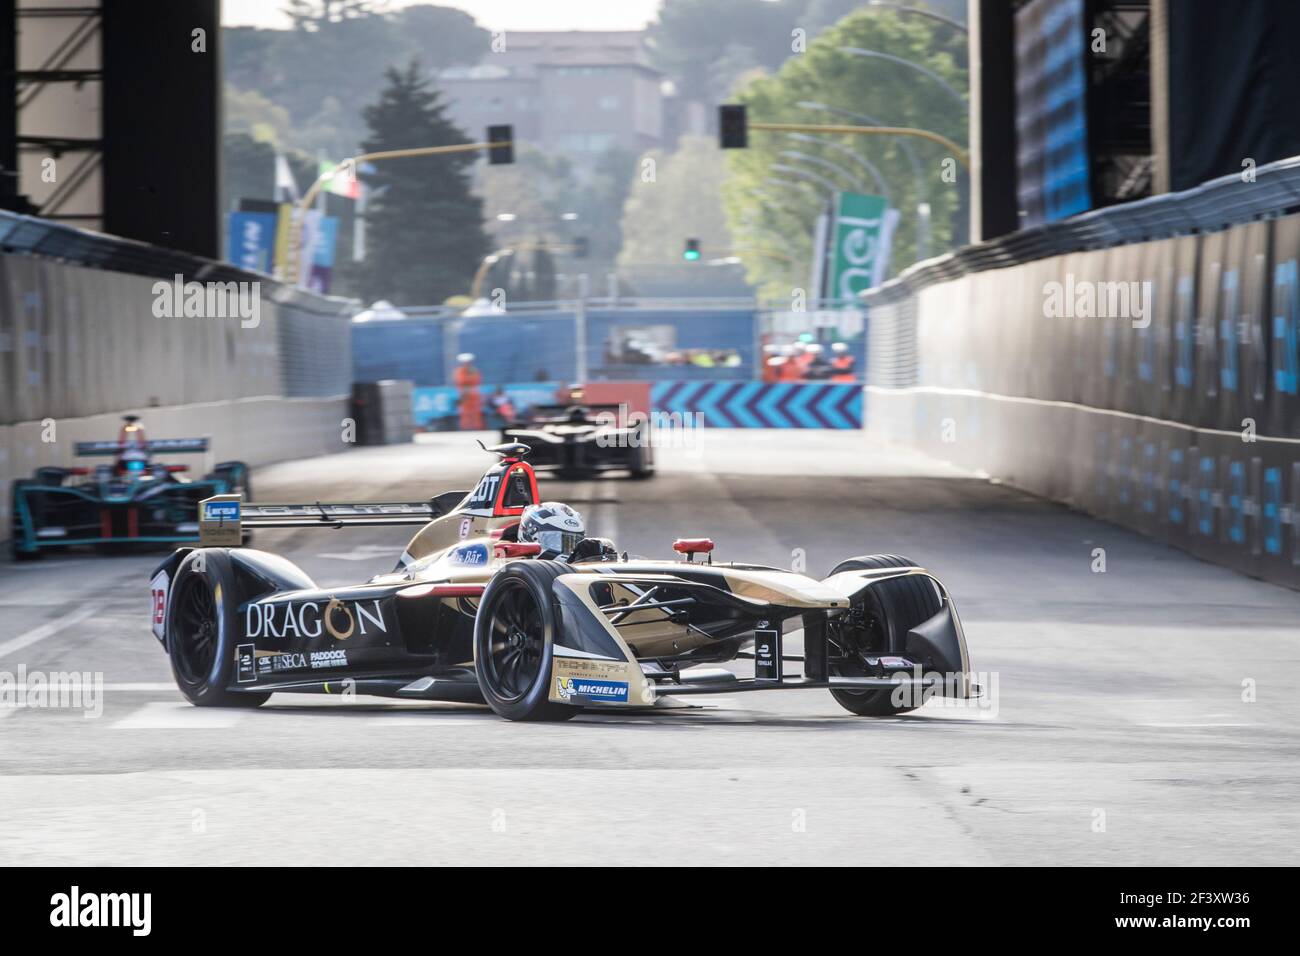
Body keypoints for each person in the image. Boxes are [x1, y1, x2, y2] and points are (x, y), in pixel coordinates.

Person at [453, 352, 484, 430]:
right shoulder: (459, 371)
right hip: (464, 393)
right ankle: (465, 427)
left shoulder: (474, 370)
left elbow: (477, 380)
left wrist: (469, 379)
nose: (467, 364)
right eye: (465, 362)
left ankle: (477, 426)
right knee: (465, 411)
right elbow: (460, 381)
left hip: (473, 393)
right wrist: (469, 379)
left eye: (468, 362)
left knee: (475, 411)